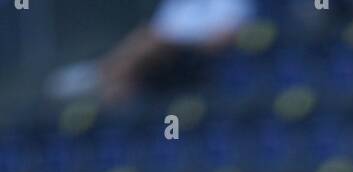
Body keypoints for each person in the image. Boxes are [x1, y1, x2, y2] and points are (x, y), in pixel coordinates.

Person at [45, 0, 255, 107]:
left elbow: (222, 39)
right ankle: (106, 88)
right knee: (121, 89)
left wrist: (179, 41)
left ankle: (98, 74)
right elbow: (162, 26)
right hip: (163, 58)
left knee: (148, 39)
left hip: (197, 58)